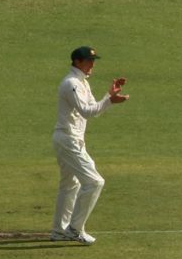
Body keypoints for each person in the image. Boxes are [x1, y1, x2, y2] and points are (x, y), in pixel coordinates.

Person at [51, 46, 129, 245]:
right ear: (77, 62)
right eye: (88, 61)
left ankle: (60, 230)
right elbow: (86, 112)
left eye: (93, 61)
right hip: (68, 139)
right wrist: (109, 101)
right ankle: (75, 229)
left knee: (70, 184)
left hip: (71, 139)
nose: (92, 64)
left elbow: (94, 109)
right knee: (94, 182)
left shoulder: (82, 83)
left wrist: (109, 97)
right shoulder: (71, 84)